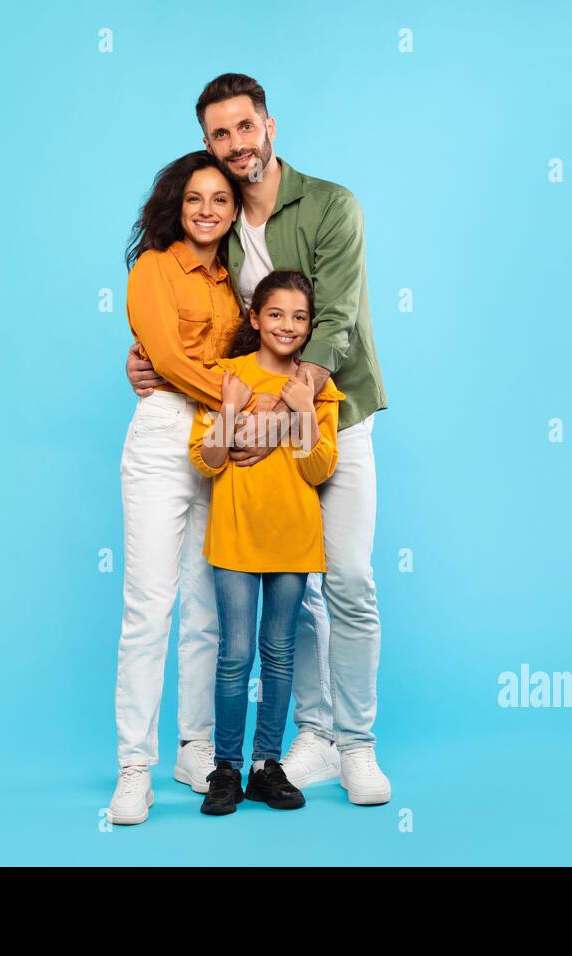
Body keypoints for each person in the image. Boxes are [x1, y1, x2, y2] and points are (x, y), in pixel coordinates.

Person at [126, 74, 391, 805]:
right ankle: (300, 739)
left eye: (246, 127)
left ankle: (354, 743)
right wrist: (149, 357)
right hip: (248, 430)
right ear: (207, 143)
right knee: (287, 590)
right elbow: (207, 328)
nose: (236, 144)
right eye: (221, 134)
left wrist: (271, 416)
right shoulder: (216, 223)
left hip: (333, 412)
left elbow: (333, 323)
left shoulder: (332, 204)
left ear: (269, 125)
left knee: (348, 579)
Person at [109, 151, 245, 826]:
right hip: (164, 438)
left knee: (207, 609)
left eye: (220, 199)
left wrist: (240, 398)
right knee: (149, 608)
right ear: (176, 204)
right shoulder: (154, 268)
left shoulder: (234, 282)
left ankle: (196, 749)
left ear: (234, 209)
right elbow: (163, 357)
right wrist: (244, 396)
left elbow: (248, 356)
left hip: (218, 443)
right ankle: (134, 767)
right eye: (195, 198)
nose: (207, 210)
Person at [187, 271, 345, 815]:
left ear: (310, 326)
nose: (287, 325)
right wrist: (231, 411)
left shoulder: (317, 389)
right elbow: (207, 461)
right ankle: (226, 767)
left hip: (293, 541)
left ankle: (265, 765)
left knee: (278, 653)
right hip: (235, 537)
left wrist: (302, 409)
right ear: (254, 318)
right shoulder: (227, 376)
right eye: (276, 314)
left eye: (300, 317)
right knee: (235, 654)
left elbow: (320, 469)